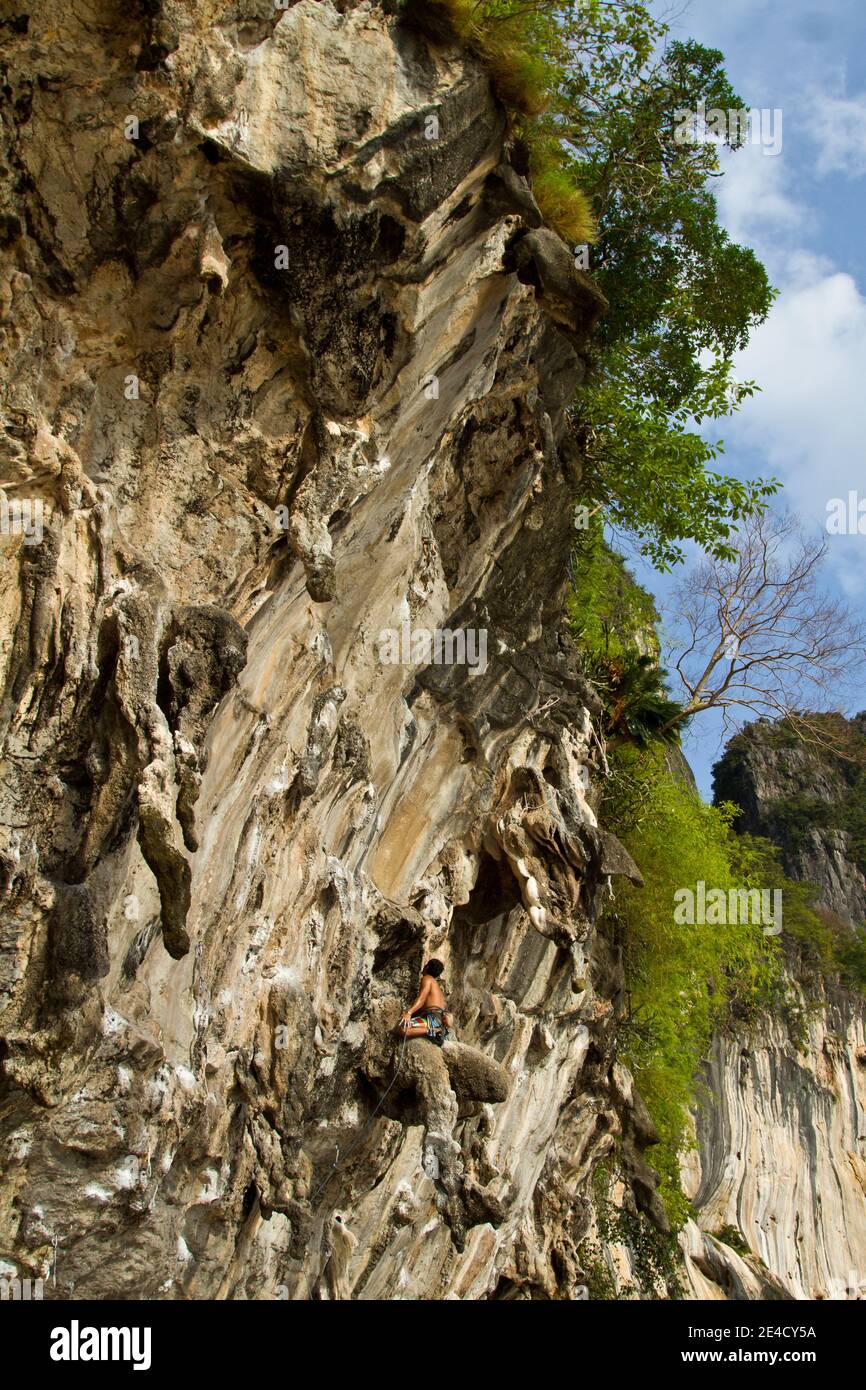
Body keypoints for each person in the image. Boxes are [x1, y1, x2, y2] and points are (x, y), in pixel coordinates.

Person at [399, 959, 452, 1046]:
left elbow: (422, 999)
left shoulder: (427, 978)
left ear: (427, 967)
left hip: (433, 1019)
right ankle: (435, 1031)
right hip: (438, 1020)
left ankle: (432, 1031)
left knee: (403, 1028)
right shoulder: (438, 988)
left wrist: (409, 1013)